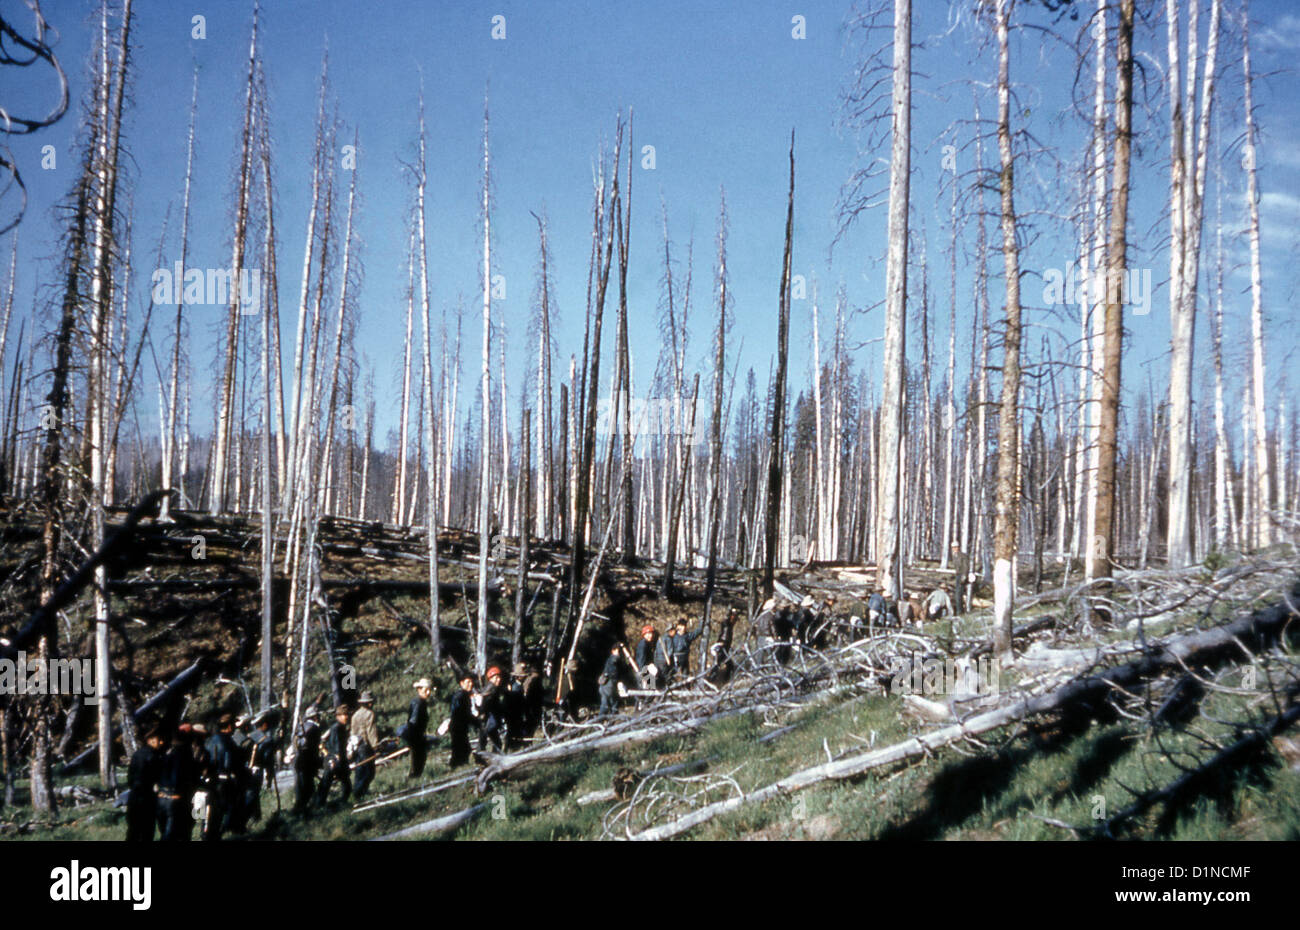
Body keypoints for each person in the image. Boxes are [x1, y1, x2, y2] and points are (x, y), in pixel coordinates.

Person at [203, 714, 242, 841]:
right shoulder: (228, 742)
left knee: (209, 812)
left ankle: (206, 834)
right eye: (234, 725)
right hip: (224, 781)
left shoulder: (209, 740)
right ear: (229, 726)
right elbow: (229, 764)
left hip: (209, 780)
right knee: (224, 811)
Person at [156, 725, 198, 842]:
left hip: (161, 799)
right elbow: (190, 779)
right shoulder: (185, 755)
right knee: (176, 835)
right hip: (177, 800)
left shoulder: (165, 752)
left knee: (166, 834)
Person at [125, 726, 165, 842]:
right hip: (146, 799)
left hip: (134, 798)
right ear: (150, 740)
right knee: (146, 833)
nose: (161, 743)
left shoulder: (137, 754)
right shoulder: (153, 756)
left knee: (133, 832)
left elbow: (130, 778)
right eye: (159, 740)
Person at [318, 704, 352, 806]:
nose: (346, 717)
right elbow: (336, 744)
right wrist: (336, 758)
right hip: (333, 759)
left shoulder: (341, 727)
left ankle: (343, 802)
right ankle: (320, 804)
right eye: (343, 715)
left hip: (339, 758)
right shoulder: (336, 728)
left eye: (347, 714)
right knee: (326, 782)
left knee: (346, 783)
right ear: (338, 716)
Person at [292, 706, 322, 814]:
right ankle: (304, 811)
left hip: (298, 761)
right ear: (315, 716)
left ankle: (300, 808)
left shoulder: (301, 727)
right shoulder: (315, 728)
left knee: (301, 786)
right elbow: (315, 747)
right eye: (318, 715)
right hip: (308, 761)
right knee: (307, 787)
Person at [350, 691, 379, 797]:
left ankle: (358, 791)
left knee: (359, 770)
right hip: (366, 746)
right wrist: (375, 746)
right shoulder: (370, 714)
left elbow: (352, 732)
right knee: (369, 772)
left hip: (356, 746)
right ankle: (359, 792)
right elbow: (371, 731)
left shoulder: (355, 715)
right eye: (370, 702)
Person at [403, 678, 432, 778]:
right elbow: (413, 720)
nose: (428, 693)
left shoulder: (421, 702)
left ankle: (416, 776)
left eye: (429, 690)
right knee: (418, 757)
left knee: (420, 757)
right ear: (419, 689)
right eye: (425, 690)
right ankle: (414, 776)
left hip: (418, 733)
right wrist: (415, 734)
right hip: (415, 733)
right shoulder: (418, 703)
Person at [448, 673, 476, 767]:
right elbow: (460, 712)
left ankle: (460, 765)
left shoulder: (464, 695)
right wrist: (475, 721)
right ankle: (455, 766)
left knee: (463, 748)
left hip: (460, 726)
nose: (470, 684)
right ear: (461, 683)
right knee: (460, 748)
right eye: (468, 682)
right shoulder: (460, 696)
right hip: (457, 726)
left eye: (471, 682)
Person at [478, 667, 505, 753]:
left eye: (499, 677)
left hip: (490, 719)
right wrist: (483, 713)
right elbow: (484, 702)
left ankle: (487, 757)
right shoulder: (491, 688)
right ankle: (484, 757)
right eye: (496, 677)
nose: (498, 679)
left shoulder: (493, 688)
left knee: (494, 742)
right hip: (489, 719)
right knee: (493, 741)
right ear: (490, 678)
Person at [598, 644, 625, 717]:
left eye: (620, 651)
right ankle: (603, 719)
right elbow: (614, 662)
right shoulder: (613, 659)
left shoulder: (609, 660)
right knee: (609, 703)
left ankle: (605, 719)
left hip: (605, 685)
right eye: (617, 651)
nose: (619, 653)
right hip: (608, 685)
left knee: (608, 702)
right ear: (613, 651)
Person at [635, 624, 661, 691]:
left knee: (651, 688)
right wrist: (643, 674)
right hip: (643, 670)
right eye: (648, 634)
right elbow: (641, 661)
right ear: (644, 635)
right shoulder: (642, 645)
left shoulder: (648, 644)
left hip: (647, 669)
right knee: (647, 690)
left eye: (651, 633)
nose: (650, 635)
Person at [951, 544, 969, 614]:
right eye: (953, 547)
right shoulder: (954, 556)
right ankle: (959, 610)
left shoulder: (963, 556)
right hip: (958, 575)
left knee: (959, 593)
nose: (954, 549)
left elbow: (966, 566)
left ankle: (960, 611)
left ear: (958, 547)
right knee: (957, 593)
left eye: (956, 547)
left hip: (962, 575)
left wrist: (964, 576)